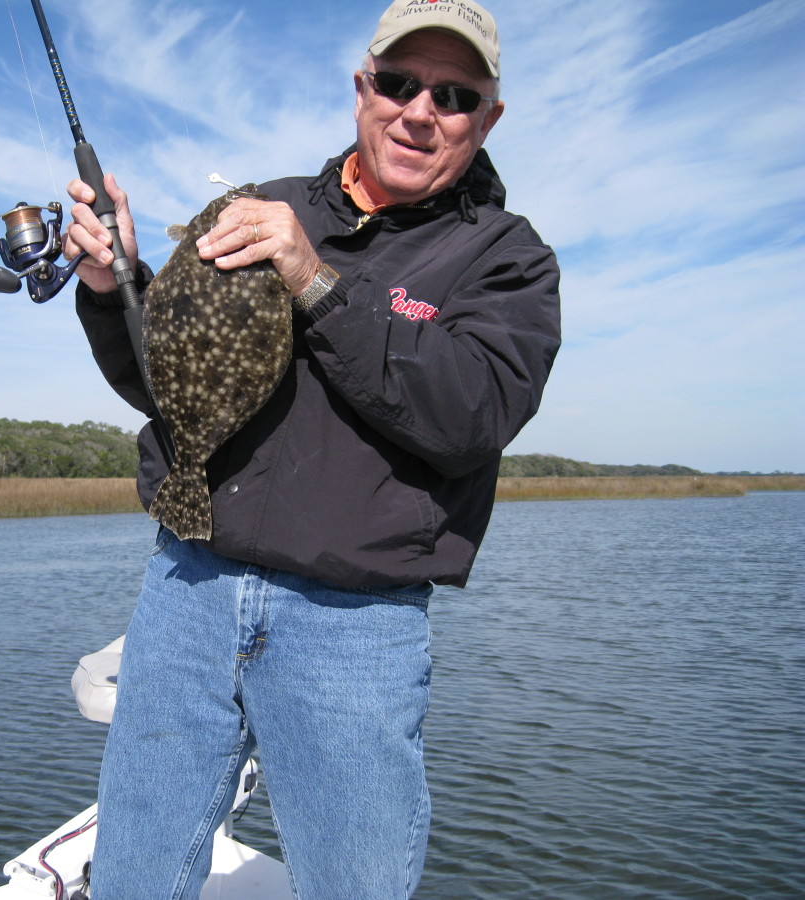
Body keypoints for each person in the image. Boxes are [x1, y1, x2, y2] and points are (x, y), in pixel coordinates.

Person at [63, 1, 560, 896]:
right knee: (132, 872)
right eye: (401, 84)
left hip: (354, 630)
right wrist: (117, 286)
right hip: (188, 589)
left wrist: (317, 282)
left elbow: (470, 417)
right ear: (363, 88)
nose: (420, 111)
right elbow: (168, 383)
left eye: (453, 95)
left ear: (487, 119)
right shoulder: (266, 207)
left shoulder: (507, 261)